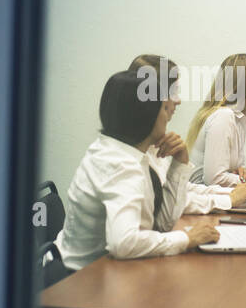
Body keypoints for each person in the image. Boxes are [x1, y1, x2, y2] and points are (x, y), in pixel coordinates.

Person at [55, 70, 219, 271]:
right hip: (80, 279)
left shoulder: (123, 151)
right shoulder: (118, 164)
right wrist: (186, 238)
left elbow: (161, 224)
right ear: (144, 115)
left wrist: (180, 164)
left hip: (104, 271)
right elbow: (124, 244)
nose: (168, 114)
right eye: (163, 107)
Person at [129, 55, 246, 213]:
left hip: (199, 202)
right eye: (173, 92)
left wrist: (242, 188)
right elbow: (208, 183)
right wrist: (233, 196)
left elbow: (181, 194)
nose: (178, 101)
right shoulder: (224, 116)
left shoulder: (150, 148)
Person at [186, 53, 246, 189]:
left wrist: (244, 175)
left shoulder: (239, 117)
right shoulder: (224, 117)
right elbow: (214, 179)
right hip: (201, 204)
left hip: (211, 199)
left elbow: (225, 173)